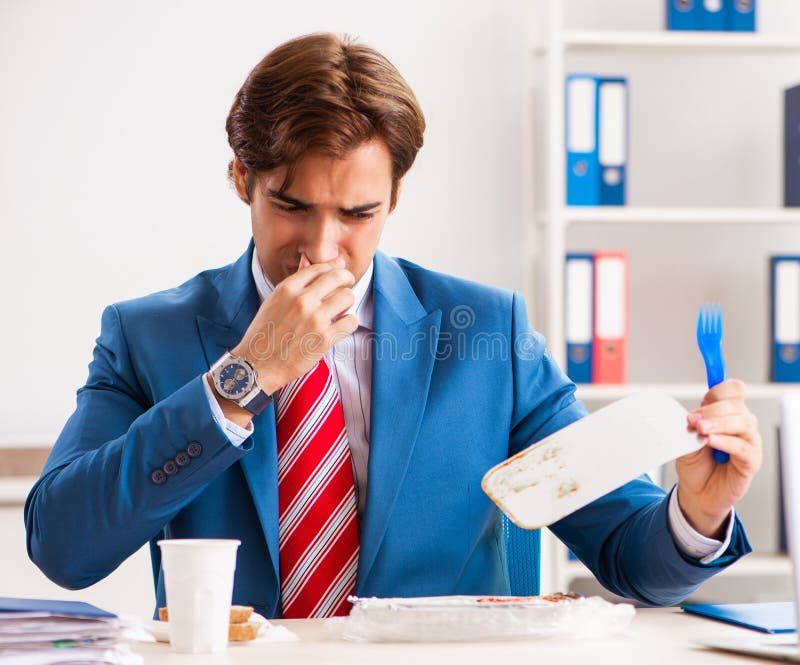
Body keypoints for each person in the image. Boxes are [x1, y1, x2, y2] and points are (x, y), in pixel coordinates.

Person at [25, 32, 761, 619]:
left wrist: (695, 512)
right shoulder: (147, 334)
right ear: (241, 179)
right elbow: (62, 543)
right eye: (290, 204)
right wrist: (239, 381)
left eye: (355, 214)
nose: (320, 248)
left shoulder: (487, 337)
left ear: (395, 197)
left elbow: (631, 558)